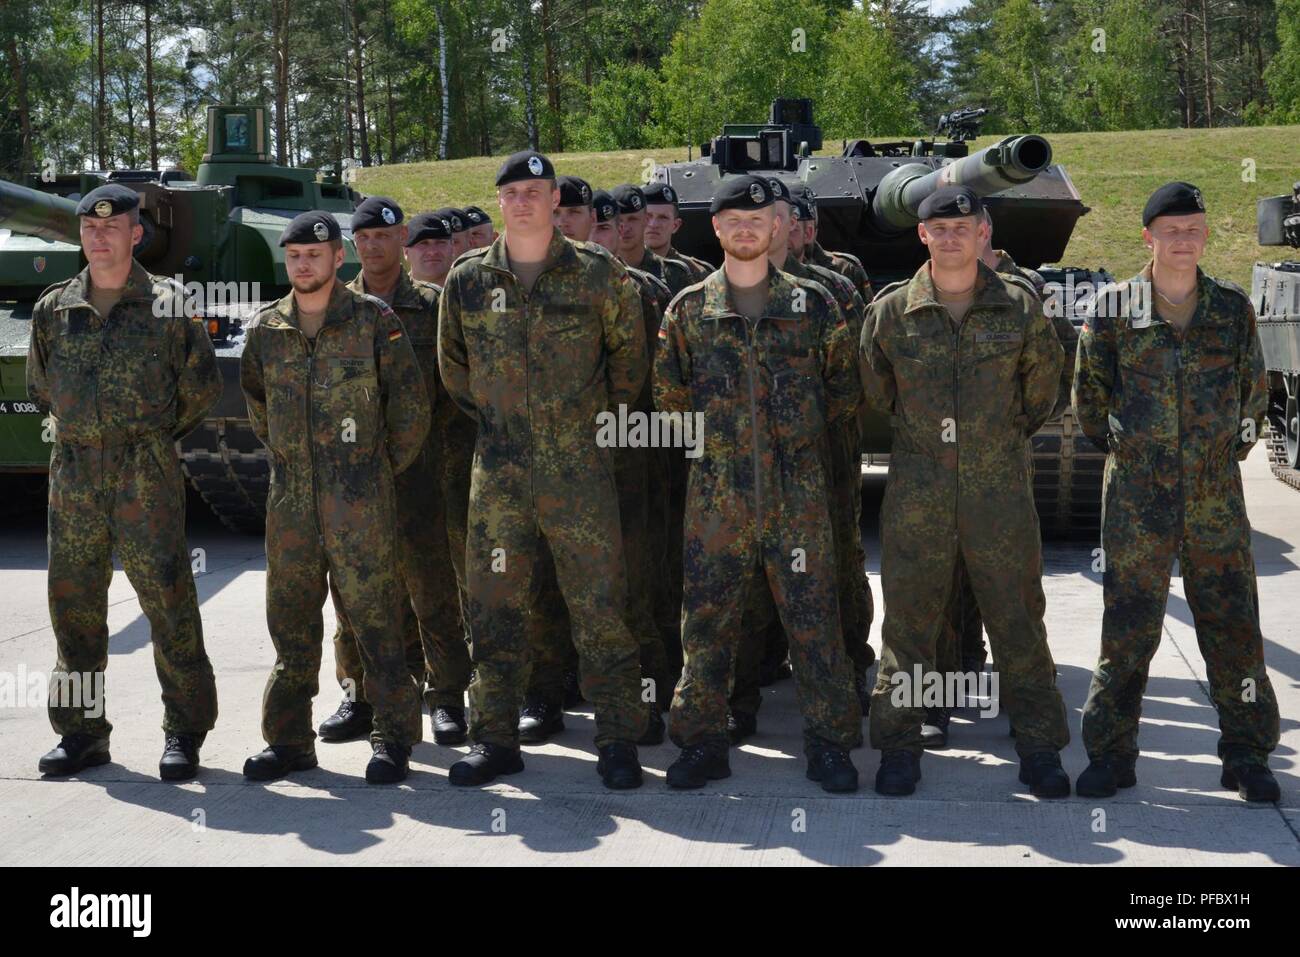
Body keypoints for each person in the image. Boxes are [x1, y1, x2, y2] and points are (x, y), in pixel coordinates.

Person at [438, 150, 649, 788]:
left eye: (537, 190)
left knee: (600, 608)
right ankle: (495, 738)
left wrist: (584, 432)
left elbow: (628, 365)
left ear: (556, 199)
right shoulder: (469, 280)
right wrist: (506, 426)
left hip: (579, 473)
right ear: (499, 202)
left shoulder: (598, 274)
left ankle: (617, 739)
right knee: (495, 608)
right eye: (514, 192)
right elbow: (455, 373)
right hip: (499, 475)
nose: (525, 201)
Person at [1073, 182, 1280, 803]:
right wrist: (1140, 456)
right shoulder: (1114, 307)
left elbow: (1254, 393)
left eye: (1193, 229)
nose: (1183, 240)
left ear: (1205, 234)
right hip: (1137, 500)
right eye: (1171, 230)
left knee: (1233, 625)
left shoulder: (1230, 310)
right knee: (1128, 628)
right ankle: (1111, 756)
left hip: (1215, 498)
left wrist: (1218, 456)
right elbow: (1090, 401)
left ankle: (1246, 755)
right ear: (1149, 237)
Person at [861, 186, 1071, 798]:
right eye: (938, 227)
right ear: (921, 235)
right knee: (908, 628)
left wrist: (989, 444)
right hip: (917, 496)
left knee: (1019, 623)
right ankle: (899, 748)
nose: (951, 236)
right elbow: (880, 392)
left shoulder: (1021, 308)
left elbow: (1042, 394)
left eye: (964, 225)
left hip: (998, 494)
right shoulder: (892, 312)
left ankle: (1039, 748)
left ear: (983, 233)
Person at [655, 174, 862, 792]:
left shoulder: (814, 304)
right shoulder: (689, 309)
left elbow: (843, 392)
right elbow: (669, 399)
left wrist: (786, 441)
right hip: (717, 499)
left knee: (814, 622)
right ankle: (701, 743)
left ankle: (830, 744)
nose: (746, 228)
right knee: (709, 623)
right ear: (716, 229)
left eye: (758, 219)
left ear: (777, 227)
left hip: (797, 494)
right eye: (732, 220)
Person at [29, 183, 221, 781]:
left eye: (112, 227)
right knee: (74, 606)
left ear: (136, 234)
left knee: (168, 600)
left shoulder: (170, 303)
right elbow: (41, 387)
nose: (99, 235)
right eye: (90, 227)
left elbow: (200, 388)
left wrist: (149, 438)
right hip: (76, 473)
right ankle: (82, 734)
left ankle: (184, 731)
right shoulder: (54, 308)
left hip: (145, 470)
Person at [239, 210, 429, 784]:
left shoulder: (374, 321)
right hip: (291, 505)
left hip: (361, 505)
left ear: (336, 259)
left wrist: (368, 473)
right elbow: (258, 405)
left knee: (377, 625)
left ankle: (393, 739)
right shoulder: (268, 329)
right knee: (292, 627)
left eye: (314, 256)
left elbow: (410, 409)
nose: (304, 265)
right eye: (294, 256)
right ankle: (289, 741)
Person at [316, 196, 471, 747]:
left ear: (402, 239)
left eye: (386, 236)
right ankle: (360, 695)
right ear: (353, 245)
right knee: (356, 593)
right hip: (353, 482)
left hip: (425, 472)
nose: (375, 246)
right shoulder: (333, 307)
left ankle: (447, 697)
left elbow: (458, 382)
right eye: (365, 237)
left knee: (433, 589)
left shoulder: (432, 305)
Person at [641, 181, 712, 280]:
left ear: (675, 226)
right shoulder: (618, 270)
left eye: (663, 218)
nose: (653, 224)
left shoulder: (695, 274)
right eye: (648, 217)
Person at [404, 211, 456, 286]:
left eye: (440, 243)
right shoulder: (390, 294)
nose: (433, 251)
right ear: (406, 252)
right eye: (423, 243)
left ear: (452, 248)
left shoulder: (473, 292)